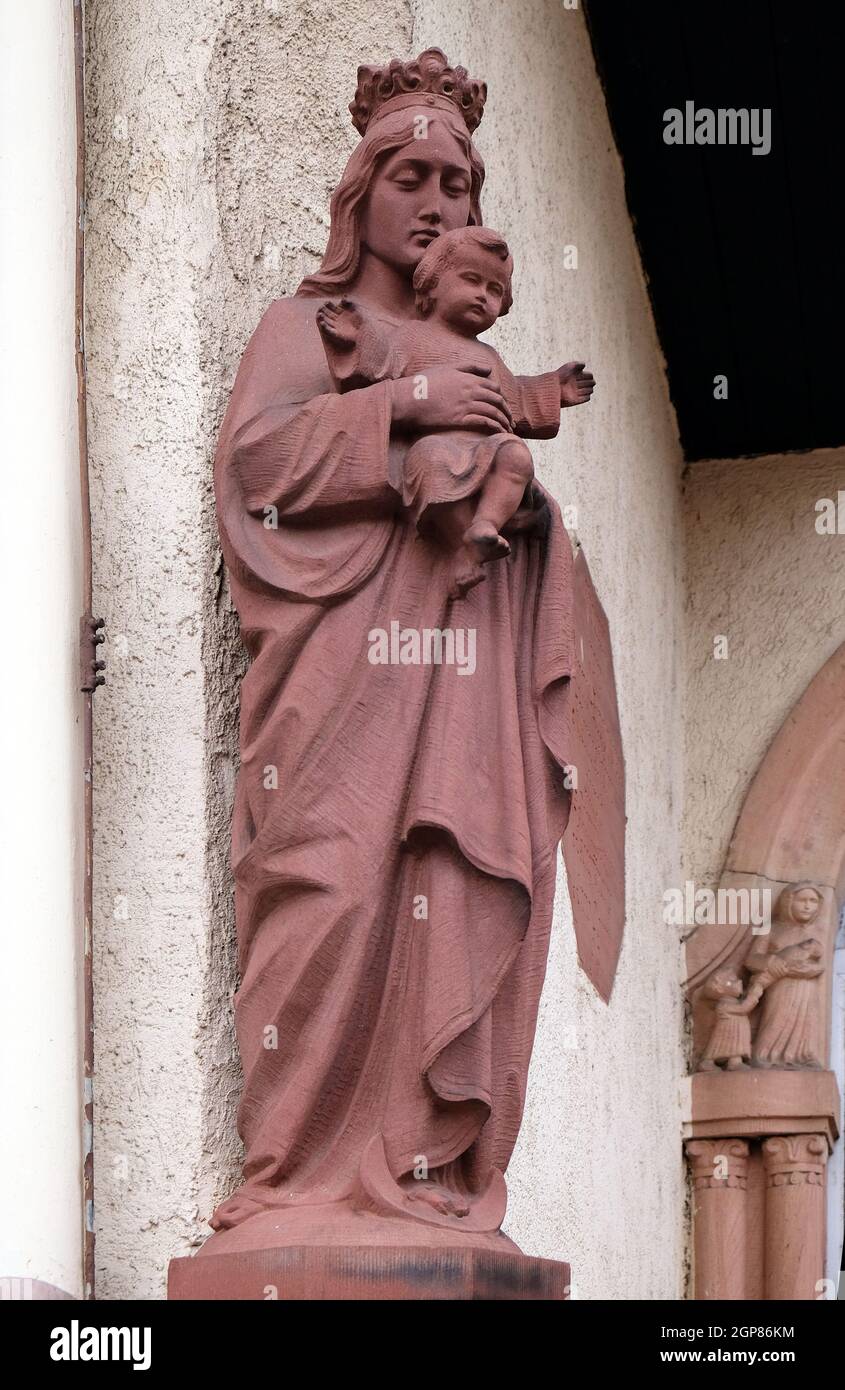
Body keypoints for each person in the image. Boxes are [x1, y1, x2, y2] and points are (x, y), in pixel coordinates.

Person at [316, 225, 594, 596]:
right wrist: (354, 338)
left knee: (517, 456)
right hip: (438, 446)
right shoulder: (411, 338)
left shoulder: (488, 357)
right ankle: (464, 541)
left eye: (494, 290)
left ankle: (485, 524)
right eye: (471, 280)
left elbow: (517, 398)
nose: (482, 295)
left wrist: (553, 389)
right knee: (429, 462)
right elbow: (379, 368)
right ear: (431, 284)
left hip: (488, 448)